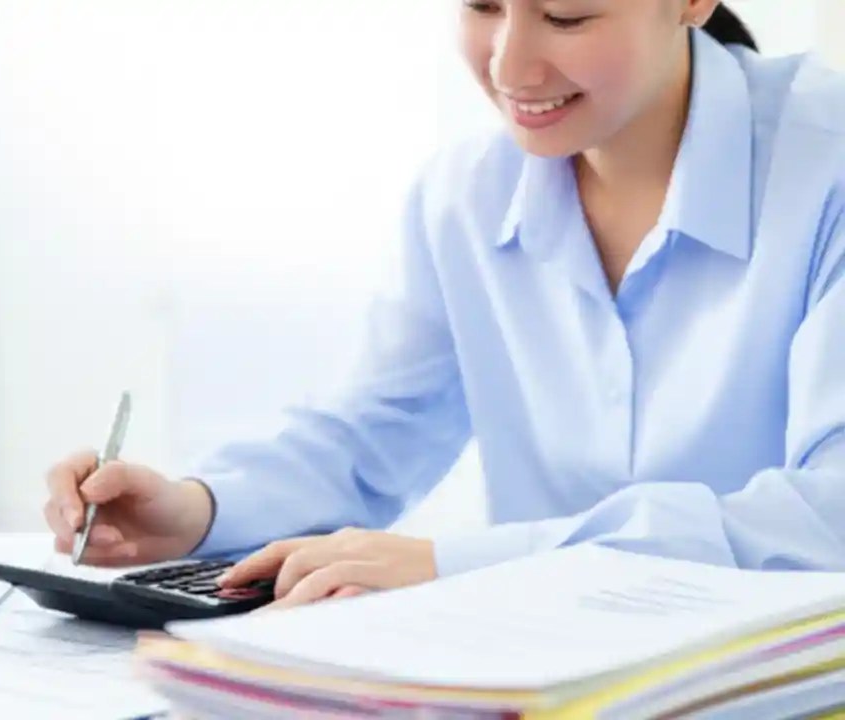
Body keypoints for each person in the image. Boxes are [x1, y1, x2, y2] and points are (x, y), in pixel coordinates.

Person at [43, 0, 845, 610]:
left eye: (566, 15)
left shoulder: (826, 167)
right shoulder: (465, 193)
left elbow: (827, 520)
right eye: (482, 5)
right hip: (541, 675)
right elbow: (369, 433)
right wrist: (196, 509)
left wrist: (455, 567)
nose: (510, 66)